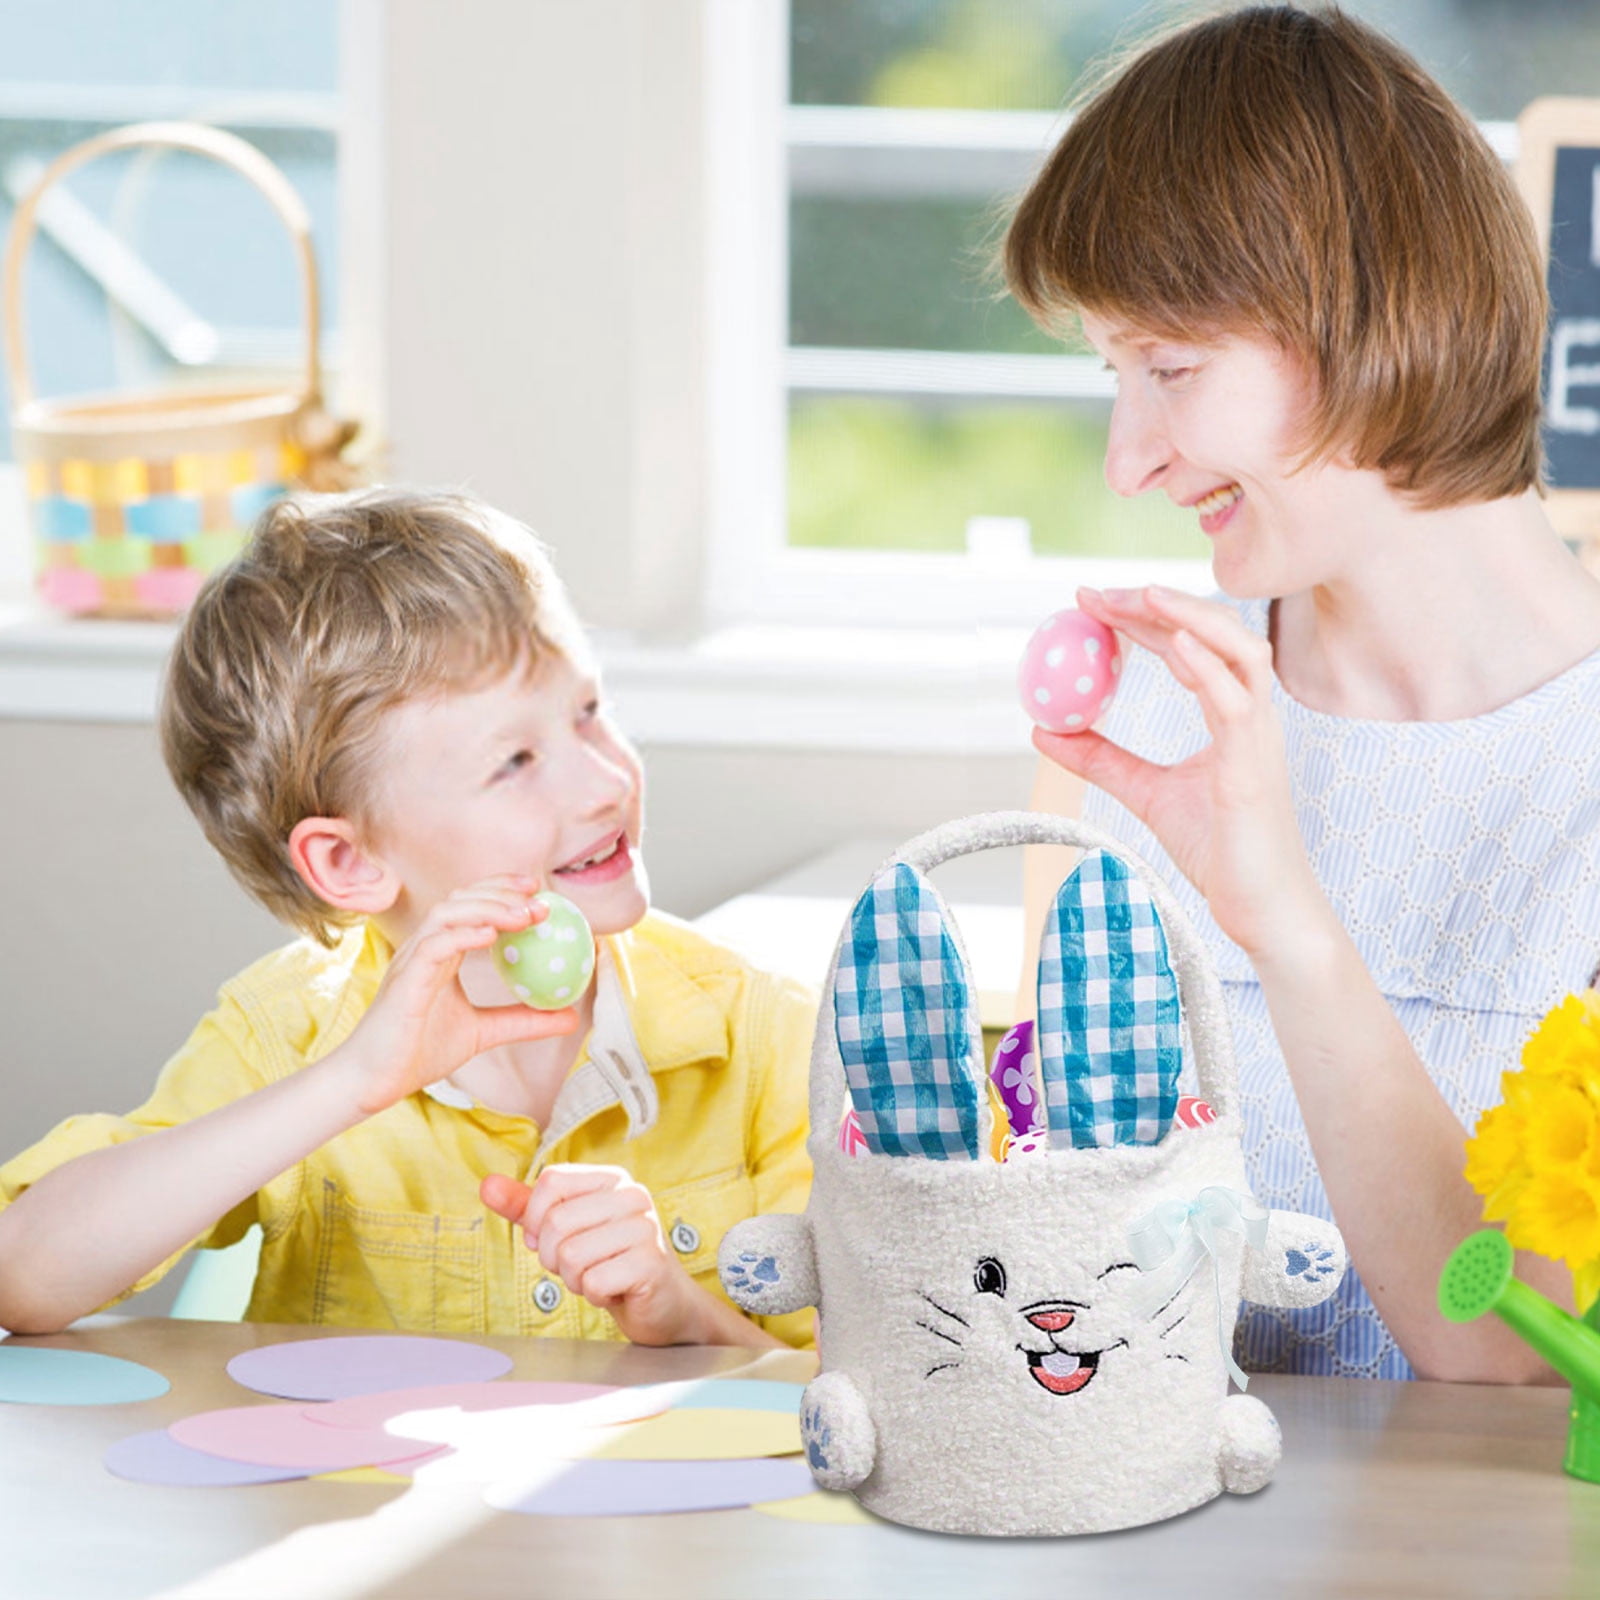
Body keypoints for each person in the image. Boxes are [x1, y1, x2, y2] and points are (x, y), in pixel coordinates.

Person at [1002, 4, 1600, 1382]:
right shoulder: (1150, 710)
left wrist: (1288, 928)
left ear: (1375, 316)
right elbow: (1063, 1251)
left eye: (1169, 368)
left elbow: (1512, 1361)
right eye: (1113, 374)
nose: (1127, 462)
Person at [0, 490, 814, 1349]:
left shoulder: (766, 1035)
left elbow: (857, 1399)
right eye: (515, 761)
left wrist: (682, 1315)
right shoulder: (285, 1036)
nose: (607, 783)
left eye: (588, 712)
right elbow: (22, 1278)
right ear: (350, 863)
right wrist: (349, 1082)